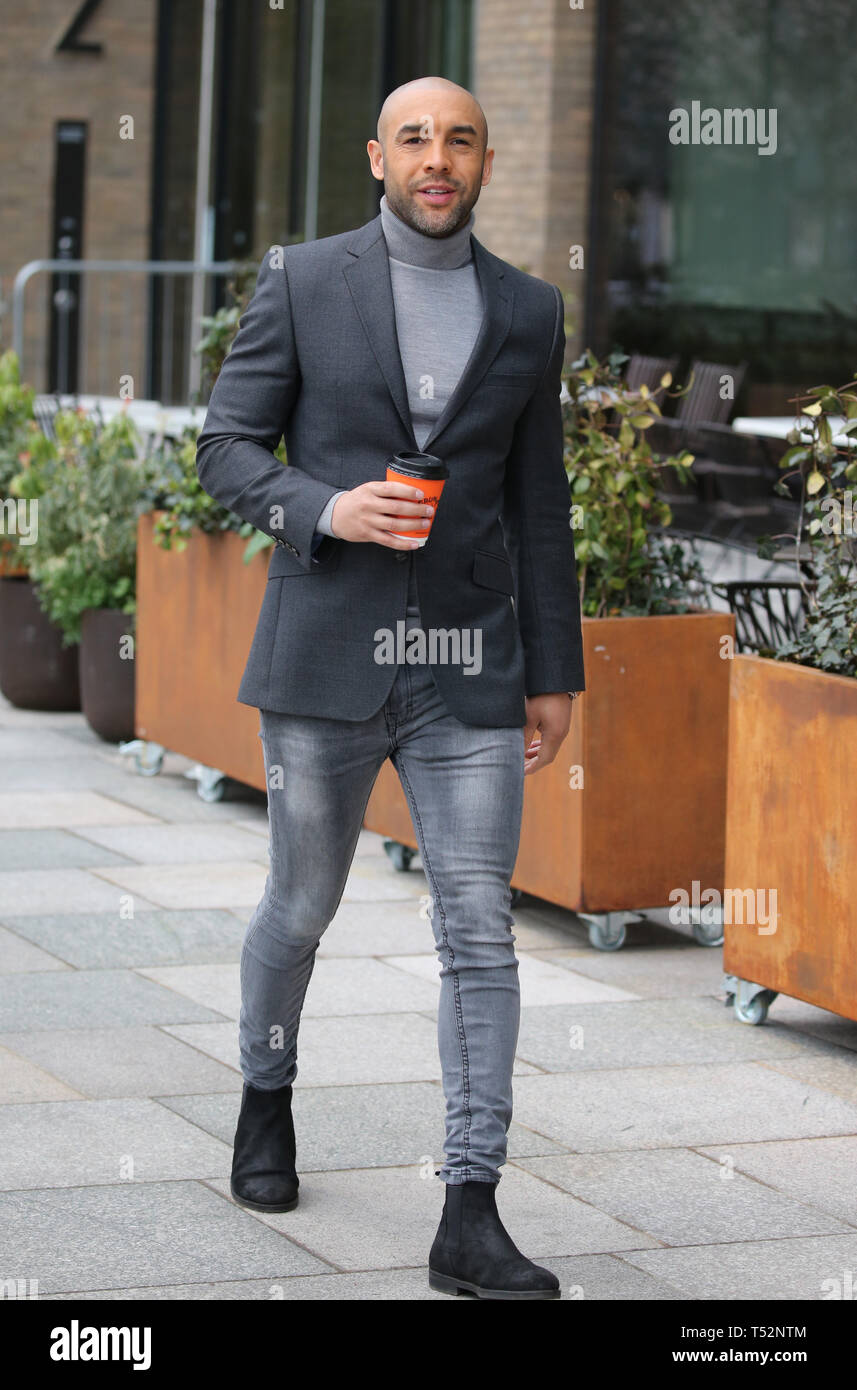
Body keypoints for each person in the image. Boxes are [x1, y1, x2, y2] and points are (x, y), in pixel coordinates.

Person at [196, 75, 585, 1300]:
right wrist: (324, 508)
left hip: (469, 668)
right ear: (377, 157)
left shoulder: (528, 310)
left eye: (457, 140)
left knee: (478, 931)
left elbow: (538, 504)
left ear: (481, 163)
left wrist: (553, 671)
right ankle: (266, 1096)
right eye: (413, 138)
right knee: (298, 908)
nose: (436, 158)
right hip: (323, 656)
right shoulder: (307, 279)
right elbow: (225, 445)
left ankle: (469, 1211)